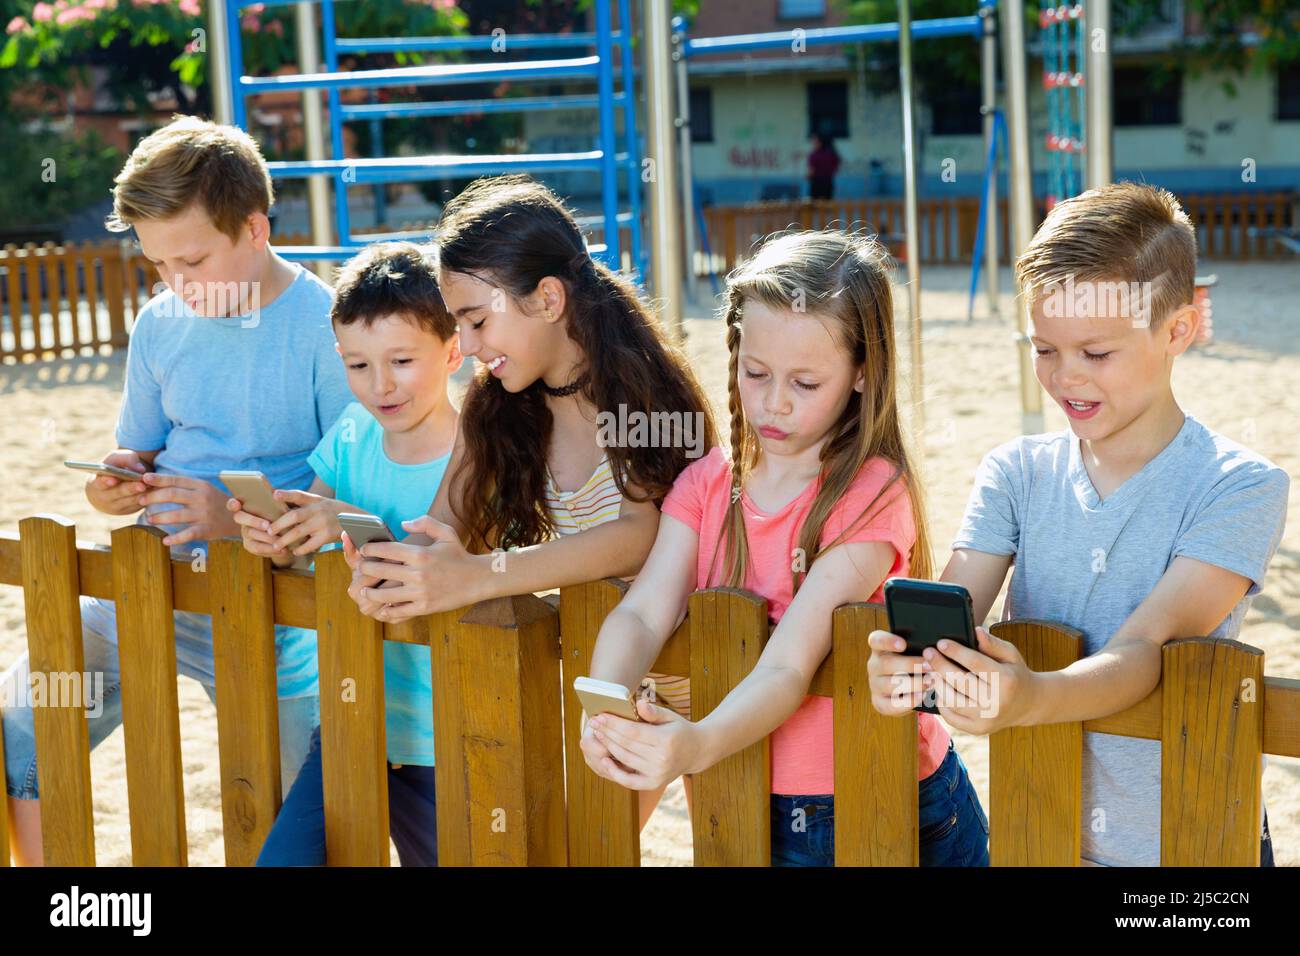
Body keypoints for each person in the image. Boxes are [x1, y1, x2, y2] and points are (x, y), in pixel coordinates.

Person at [867, 182, 1288, 867]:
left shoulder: (1239, 484)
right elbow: (955, 605)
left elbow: (1149, 647)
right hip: (1044, 829)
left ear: (1178, 330)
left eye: (1096, 353)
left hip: (1192, 839)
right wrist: (911, 669)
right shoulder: (1014, 472)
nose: (1066, 378)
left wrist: (1033, 696)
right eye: (1045, 349)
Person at [1, 116, 350, 865]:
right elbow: (141, 449)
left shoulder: (328, 326)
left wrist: (228, 519)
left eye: (192, 259)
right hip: (147, 585)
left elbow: (351, 501)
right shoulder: (162, 323)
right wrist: (113, 481)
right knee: (22, 728)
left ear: (255, 229)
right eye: (158, 264)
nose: (175, 284)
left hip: (277, 614)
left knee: (294, 815)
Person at [580, 230, 989, 866]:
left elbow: (787, 666)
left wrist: (695, 744)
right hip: (738, 785)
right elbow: (642, 611)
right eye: (756, 372)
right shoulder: (705, 484)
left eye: (805, 383)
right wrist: (606, 700)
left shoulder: (871, 495)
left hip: (879, 796)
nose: (774, 403)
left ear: (860, 374)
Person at [342, 174, 719, 829]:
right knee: (573, 840)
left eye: (478, 321)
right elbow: (443, 524)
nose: (470, 349)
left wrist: (479, 573)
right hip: (591, 671)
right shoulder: (498, 406)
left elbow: (641, 534)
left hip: (692, 662)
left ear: (548, 299)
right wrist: (400, 572)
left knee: (709, 834)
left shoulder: (637, 392)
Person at [231, 241, 460, 866]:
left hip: (446, 736)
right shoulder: (351, 434)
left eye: (402, 361)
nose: (380, 385)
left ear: (454, 349)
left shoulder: (477, 450)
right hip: (347, 714)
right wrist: (277, 538)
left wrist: (347, 521)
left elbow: (431, 571)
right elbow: (309, 536)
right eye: (357, 366)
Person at [808, 134, 841, 201]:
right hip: (828, 183)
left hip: (816, 184)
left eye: (815, 142)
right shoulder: (833, 154)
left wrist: (808, 177)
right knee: (827, 205)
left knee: (814, 206)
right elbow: (836, 169)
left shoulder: (814, 155)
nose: (813, 144)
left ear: (820, 143)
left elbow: (811, 172)